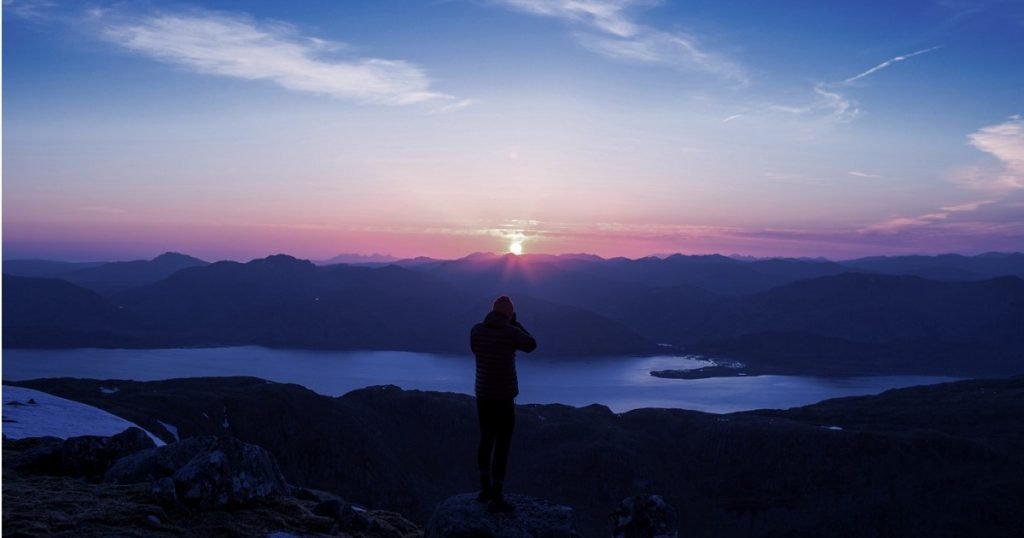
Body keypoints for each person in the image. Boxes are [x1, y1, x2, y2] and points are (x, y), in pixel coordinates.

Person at [470, 295, 537, 512]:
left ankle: (484, 489)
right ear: (509, 314)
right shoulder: (511, 332)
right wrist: (515, 324)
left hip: (483, 395)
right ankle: (497, 496)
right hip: (504, 397)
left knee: (485, 440)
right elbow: (531, 344)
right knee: (502, 444)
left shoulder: (476, 331)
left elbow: (476, 350)